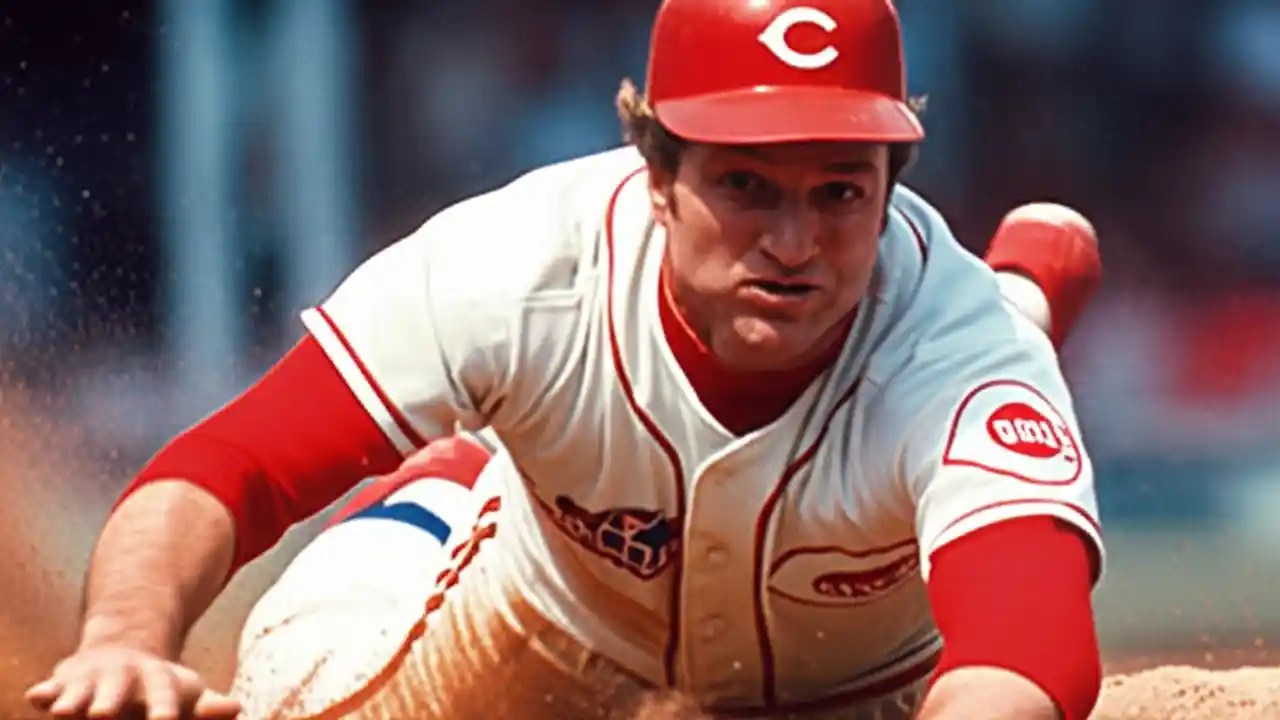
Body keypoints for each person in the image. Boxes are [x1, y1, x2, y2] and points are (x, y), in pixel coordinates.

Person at [27, 0, 1107, 718]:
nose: (792, 242)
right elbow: (235, 463)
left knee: (1000, 357)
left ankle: (1020, 294)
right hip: (547, 622)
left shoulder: (957, 347)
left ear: (891, 187)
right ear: (657, 176)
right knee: (290, 690)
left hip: (861, 689)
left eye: (839, 191)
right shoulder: (522, 264)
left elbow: (1030, 643)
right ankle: (449, 481)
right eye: (744, 185)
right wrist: (123, 637)